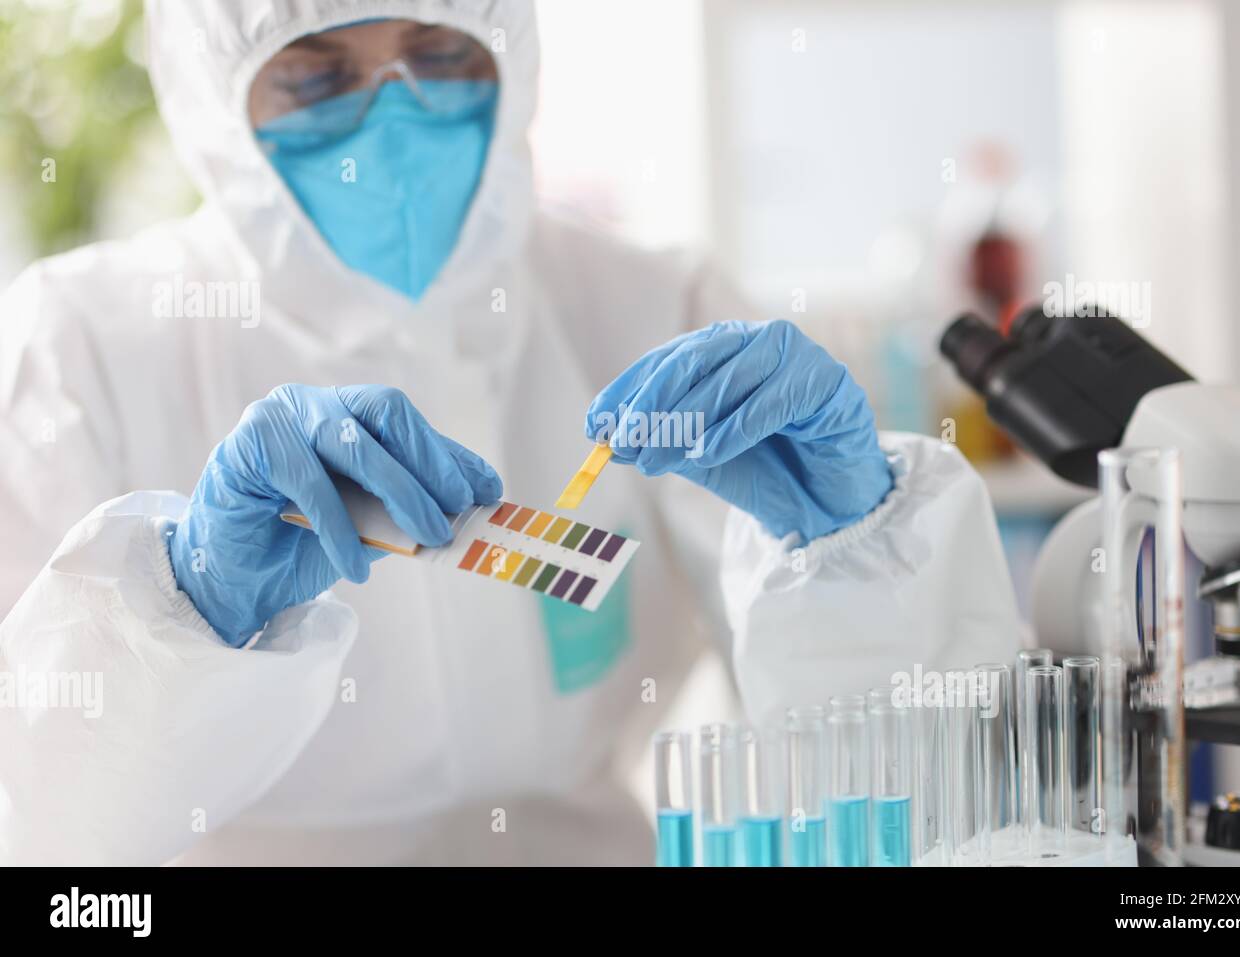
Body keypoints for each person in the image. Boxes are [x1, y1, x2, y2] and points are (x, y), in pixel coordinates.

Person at [0, 1, 1020, 865]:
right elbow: (31, 821)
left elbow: (912, 798)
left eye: (442, 57)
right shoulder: (80, 349)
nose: (394, 116)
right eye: (316, 78)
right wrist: (179, 605)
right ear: (212, 99)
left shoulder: (649, 305)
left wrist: (857, 548)